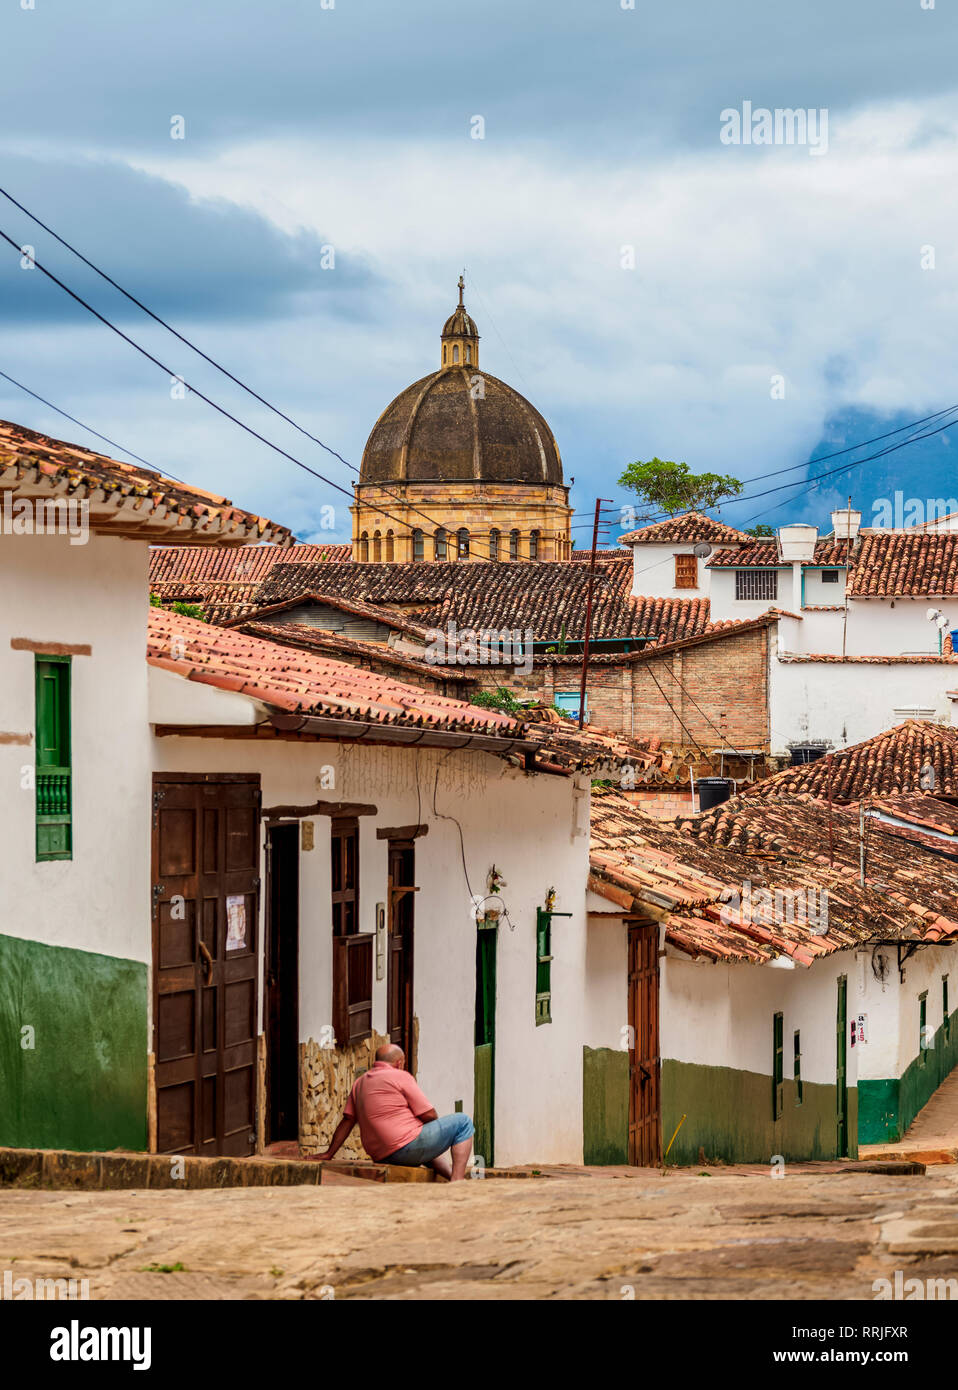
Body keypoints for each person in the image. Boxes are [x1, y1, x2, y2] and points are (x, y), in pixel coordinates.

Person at [314, 1043, 475, 1180]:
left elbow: (347, 1122)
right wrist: (426, 1129)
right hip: (405, 1148)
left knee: (424, 1144)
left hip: (381, 1155)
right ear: (399, 1063)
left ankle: (450, 1176)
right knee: (463, 1122)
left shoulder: (359, 1083)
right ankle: (457, 1182)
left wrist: (329, 1153)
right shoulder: (400, 1076)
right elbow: (429, 1115)